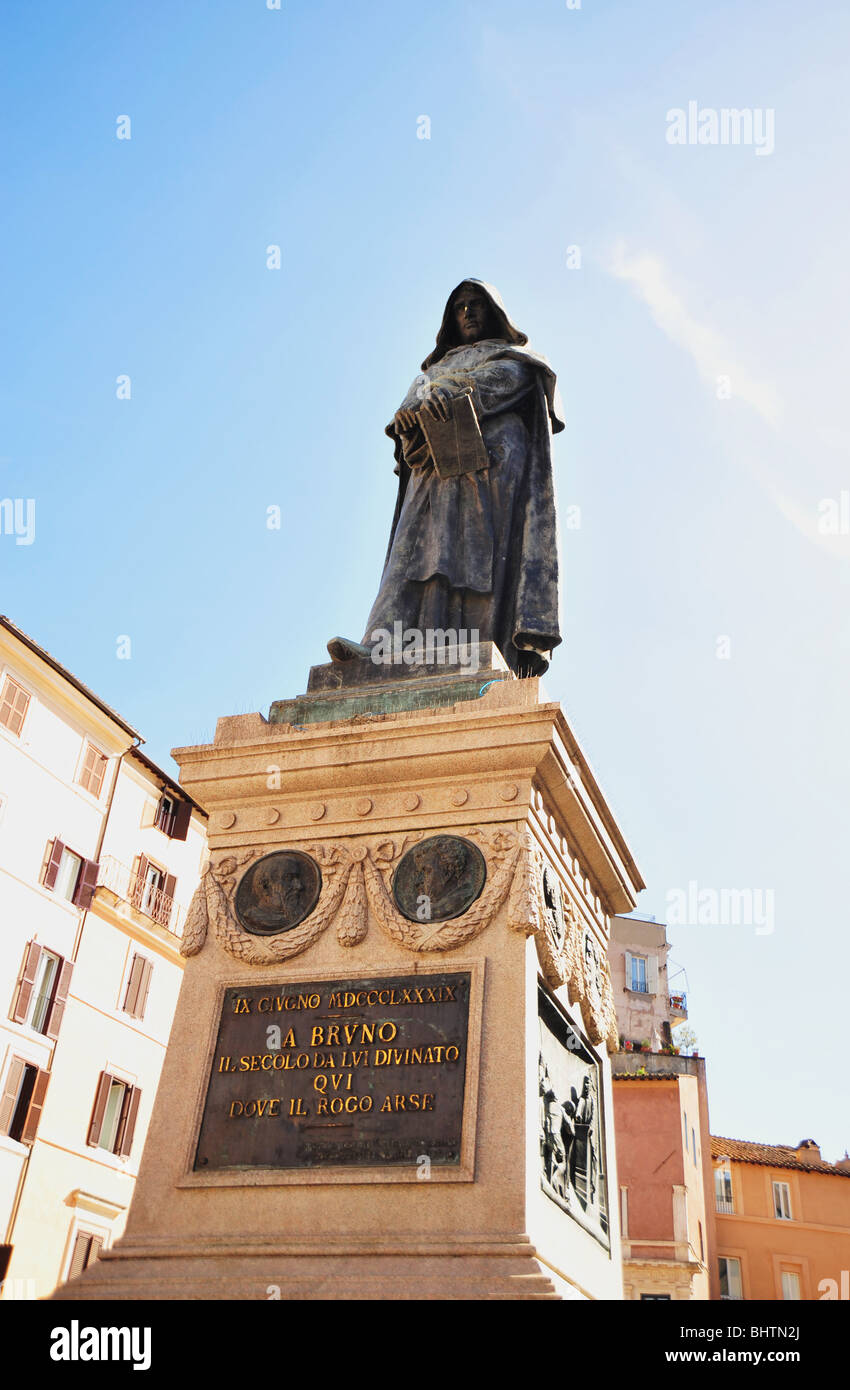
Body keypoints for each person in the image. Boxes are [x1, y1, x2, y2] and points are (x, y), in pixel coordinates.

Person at [328, 280, 564, 676]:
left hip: (492, 475)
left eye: (476, 305)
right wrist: (409, 422)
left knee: (483, 562)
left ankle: (481, 651)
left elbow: (501, 382)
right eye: (460, 307)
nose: (468, 312)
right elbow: (409, 422)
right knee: (415, 556)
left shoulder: (517, 361)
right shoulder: (433, 372)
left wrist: (449, 389)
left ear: (495, 312)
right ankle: (380, 645)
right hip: (433, 479)